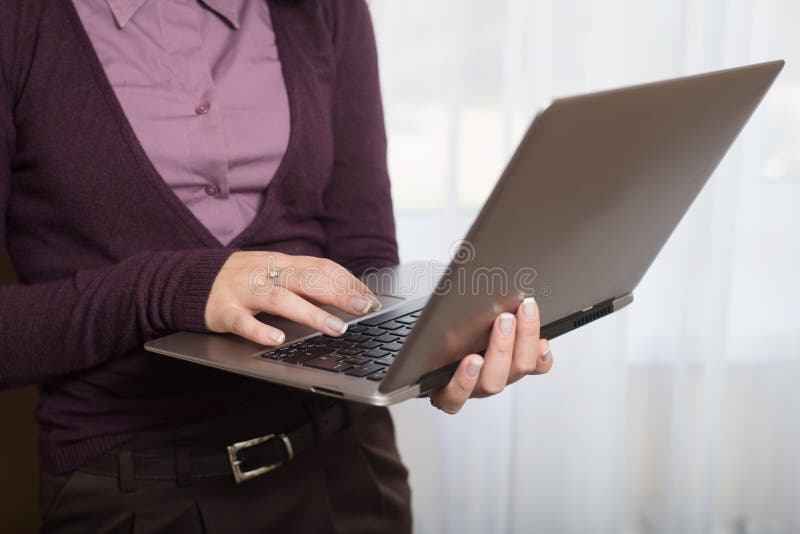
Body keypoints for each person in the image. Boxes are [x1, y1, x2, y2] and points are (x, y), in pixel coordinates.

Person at [0, 0, 554, 531]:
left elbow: (366, 261)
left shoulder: (326, 10)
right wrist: (168, 289)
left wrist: (431, 349)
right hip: (139, 492)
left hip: (348, 470)